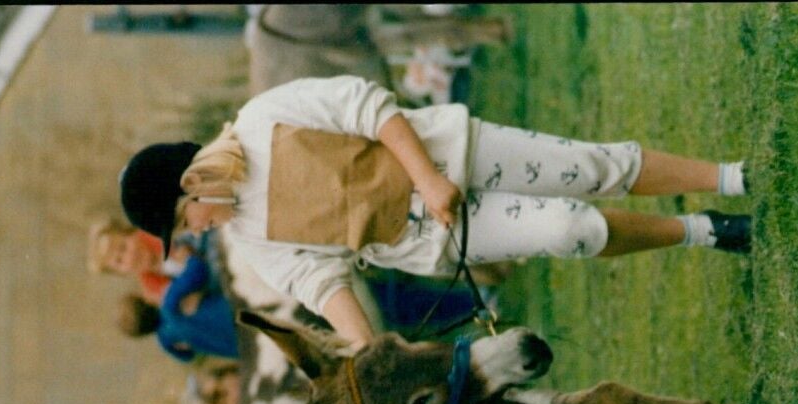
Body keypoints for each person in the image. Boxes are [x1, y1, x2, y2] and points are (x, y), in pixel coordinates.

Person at [118, 83, 751, 349]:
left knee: (592, 167)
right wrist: (367, 352)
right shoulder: (249, 240)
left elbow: (369, 106)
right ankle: (704, 230)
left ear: (190, 183)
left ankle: (729, 176)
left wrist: (428, 178)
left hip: (453, 153)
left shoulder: (263, 119)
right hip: (432, 238)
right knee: (572, 230)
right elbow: (320, 282)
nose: (193, 233)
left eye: (184, 221)